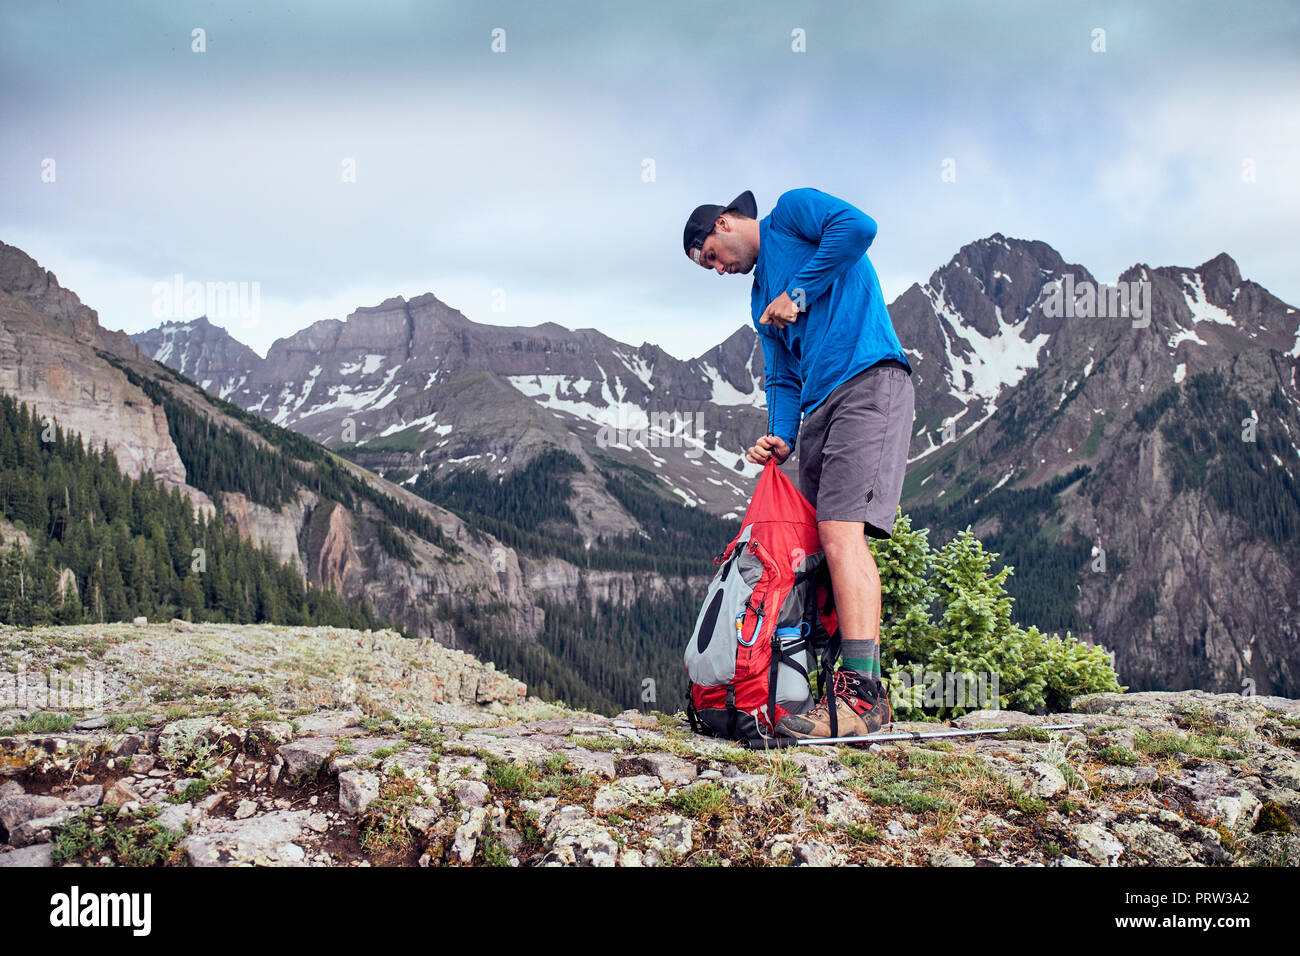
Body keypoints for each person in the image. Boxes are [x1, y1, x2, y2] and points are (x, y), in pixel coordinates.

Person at [682, 187, 915, 738]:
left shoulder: (791, 213)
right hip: (818, 408)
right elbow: (784, 377)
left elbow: (859, 228)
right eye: (708, 268)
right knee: (810, 549)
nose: (718, 269)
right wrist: (781, 436)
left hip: (870, 381)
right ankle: (817, 691)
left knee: (839, 532)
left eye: (712, 256)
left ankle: (863, 699)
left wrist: (801, 292)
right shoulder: (761, 296)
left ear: (725, 222)